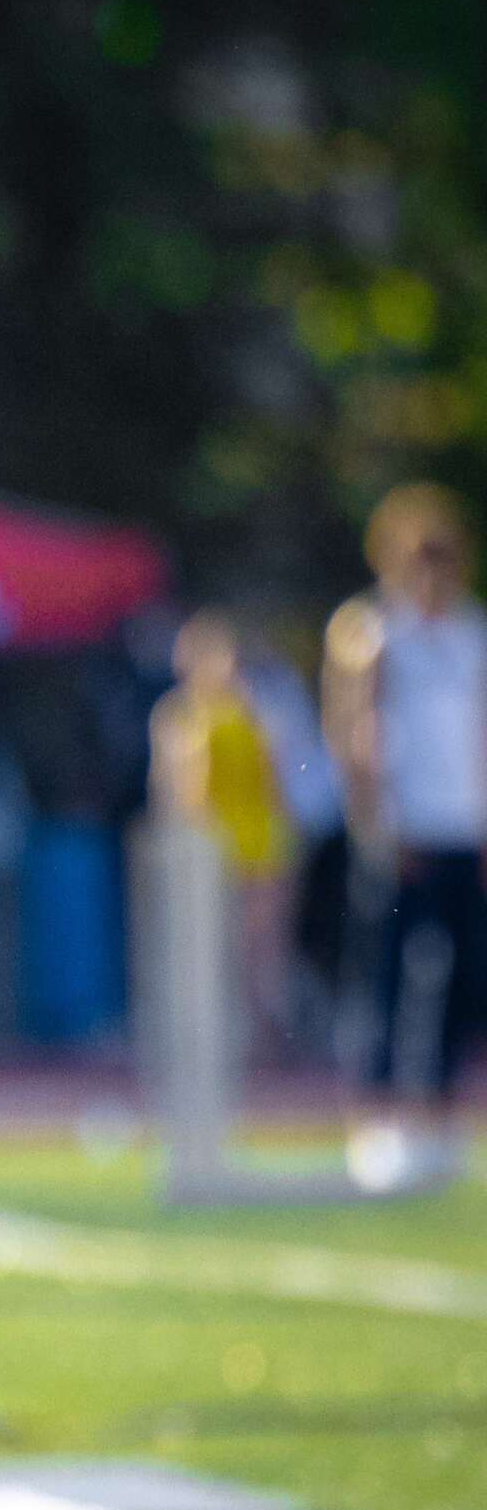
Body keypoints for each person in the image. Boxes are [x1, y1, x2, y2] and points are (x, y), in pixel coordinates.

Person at [323, 482, 484, 1131]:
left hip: (464, 825)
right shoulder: (372, 632)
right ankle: (378, 1098)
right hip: (404, 825)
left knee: (466, 970)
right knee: (388, 967)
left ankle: (442, 1095)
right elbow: (353, 732)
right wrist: (376, 822)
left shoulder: (473, 632)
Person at [148, 613, 297, 1071]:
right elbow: (174, 789)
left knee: (259, 955)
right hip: (206, 850)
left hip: (256, 846)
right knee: (208, 954)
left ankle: (264, 1042)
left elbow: (275, 784)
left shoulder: (252, 712)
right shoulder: (180, 716)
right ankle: (211, 1045)